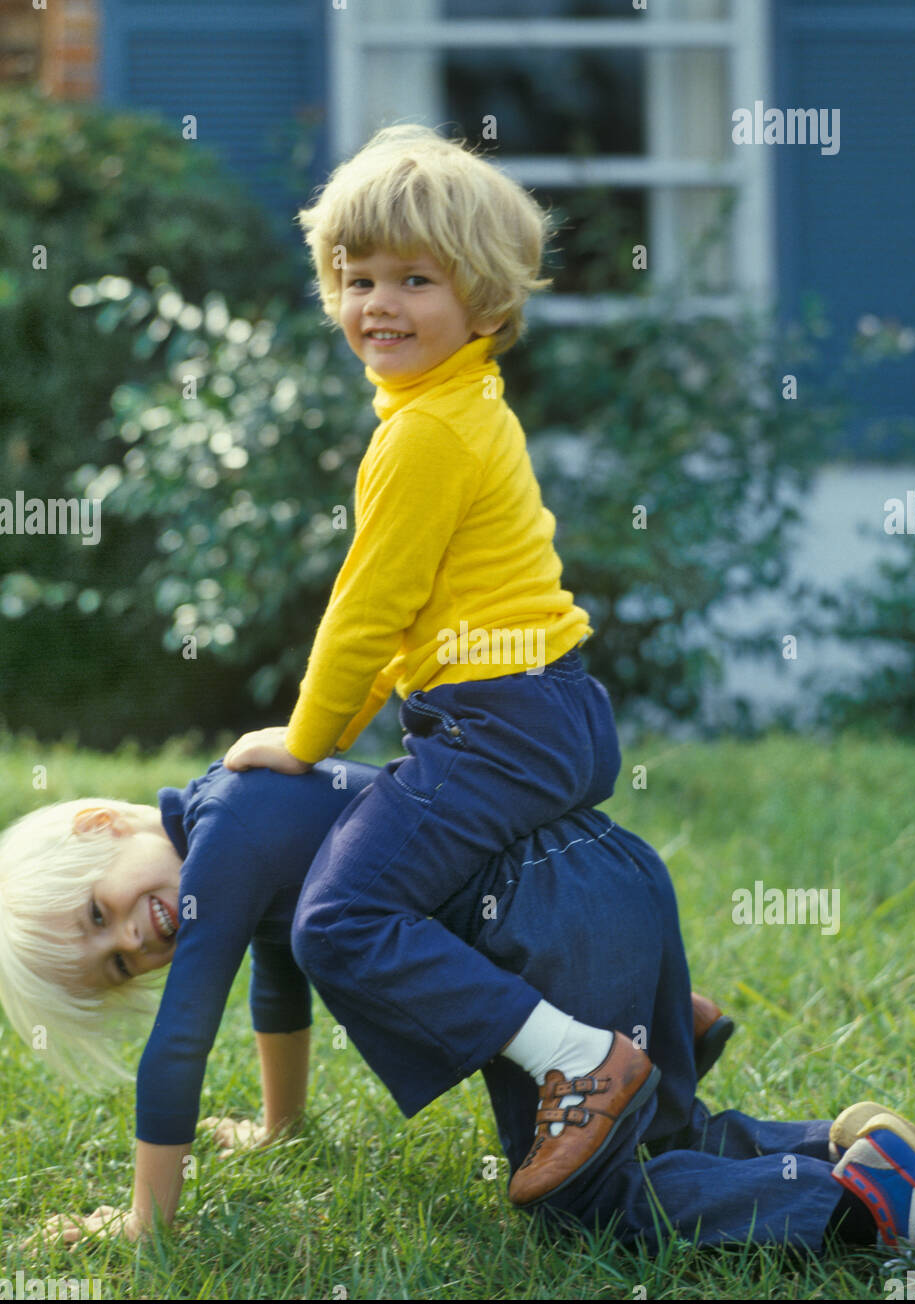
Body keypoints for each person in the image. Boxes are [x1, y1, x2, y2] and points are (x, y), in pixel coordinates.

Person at [0, 757, 915, 1291]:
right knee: (653, 1139)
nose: (138, 935)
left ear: (103, 822)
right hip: (597, 877)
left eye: (101, 907)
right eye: (119, 959)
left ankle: (863, 1212)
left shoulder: (229, 827)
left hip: (543, 929)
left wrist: (146, 1222)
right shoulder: (243, 819)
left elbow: (179, 1045)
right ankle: (835, 1146)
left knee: (592, 1201)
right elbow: (277, 989)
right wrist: (277, 1125)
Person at [221, 122, 652, 1204]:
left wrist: (308, 739)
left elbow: (363, 614)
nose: (379, 304)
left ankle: (581, 1055)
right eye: (357, 277)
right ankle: (650, 1010)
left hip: (498, 724)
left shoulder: (422, 435)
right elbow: (401, 616)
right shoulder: (453, 406)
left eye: (416, 279)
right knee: (425, 879)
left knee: (338, 919)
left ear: (487, 303)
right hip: (550, 707)